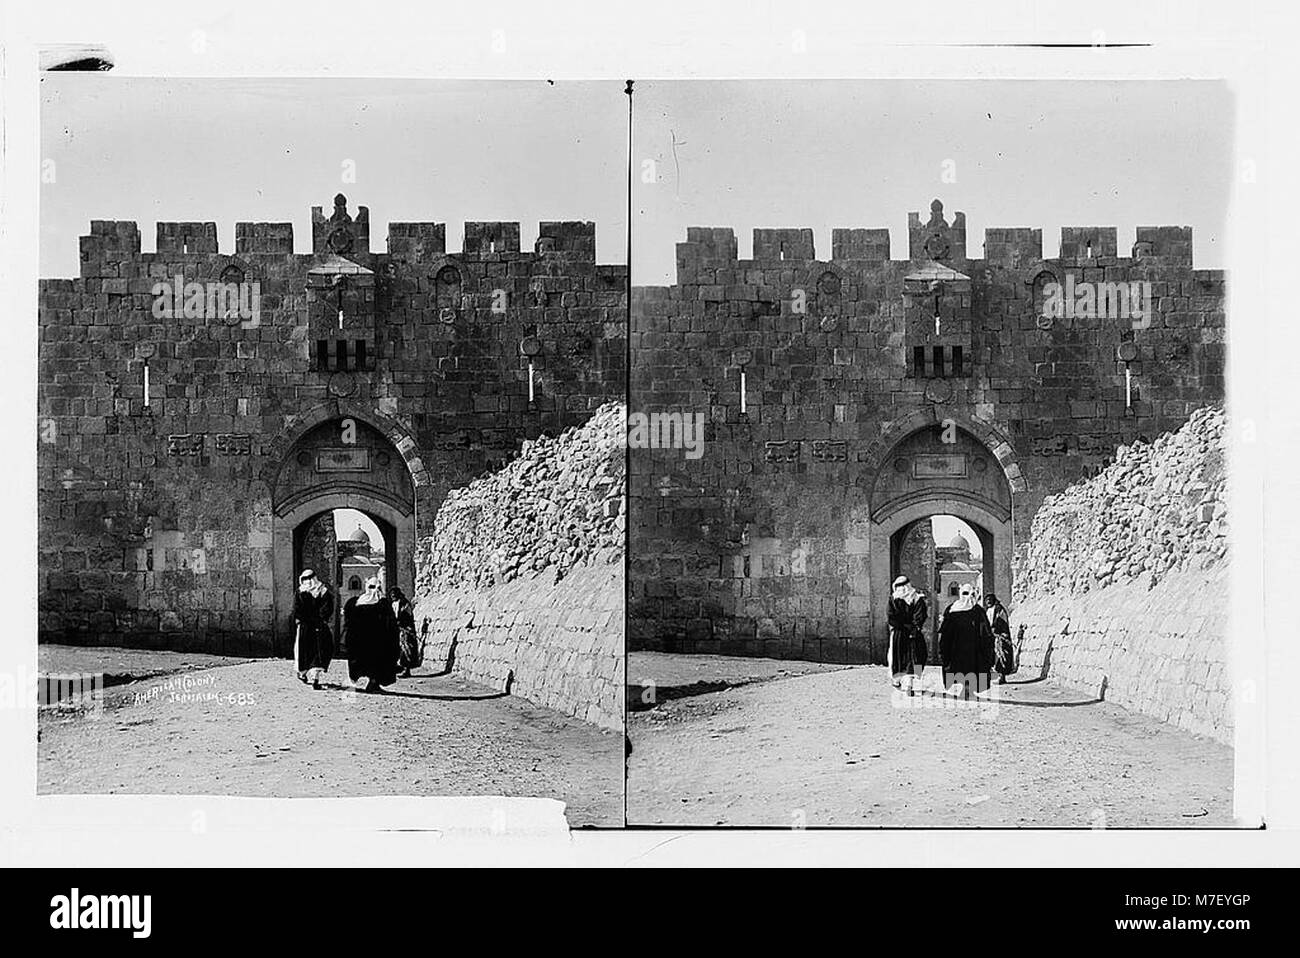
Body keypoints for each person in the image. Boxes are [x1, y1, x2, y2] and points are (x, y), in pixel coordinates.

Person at [343, 576, 399, 693]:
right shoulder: (381, 603)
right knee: (374, 661)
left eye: (377, 587)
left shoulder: (357, 603)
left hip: (369, 640)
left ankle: (372, 683)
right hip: (373, 640)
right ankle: (373, 683)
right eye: (372, 587)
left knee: (372, 661)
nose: (375, 590)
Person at [938, 584, 995, 699]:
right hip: (958, 647)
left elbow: (985, 630)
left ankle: (967, 688)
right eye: (965, 593)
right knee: (960, 667)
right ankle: (965, 688)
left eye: (970, 594)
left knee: (971, 667)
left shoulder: (975, 610)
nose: (967, 597)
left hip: (972, 647)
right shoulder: (952, 609)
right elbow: (945, 630)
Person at [293, 569, 334, 689]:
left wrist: (300, 620)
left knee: (304, 650)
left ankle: (303, 673)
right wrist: (321, 619)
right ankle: (315, 677)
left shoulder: (300, 592)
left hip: (305, 627)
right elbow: (327, 608)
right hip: (318, 626)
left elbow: (297, 609)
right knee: (319, 650)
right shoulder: (323, 591)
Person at [887, 575, 927, 694]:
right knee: (915, 657)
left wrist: (900, 626)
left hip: (899, 634)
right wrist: (913, 628)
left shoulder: (893, 600)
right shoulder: (917, 599)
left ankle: (897, 681)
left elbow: (891, 617)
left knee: (898, 658)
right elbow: (920, 616)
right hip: (913, 633)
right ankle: (910, 684)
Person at [985, 593, 1015, 684]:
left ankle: (1002, 677)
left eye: (990, 599)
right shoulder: (989, 610)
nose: (989, 601)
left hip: (1001, 637)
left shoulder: (999, 609)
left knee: (1002, 656)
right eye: (987, 600)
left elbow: (1002, 621)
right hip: (992, 637)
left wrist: (996, 629)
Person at [391, 586, 420, 678]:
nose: (393, 596)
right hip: (399, 630)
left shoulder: (405, 603)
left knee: (407, 650)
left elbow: (408, 615)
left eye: (394, 594)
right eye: (392, 595)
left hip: (406, 630)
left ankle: (406, 670)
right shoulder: (394, 604)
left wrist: (402, 622)